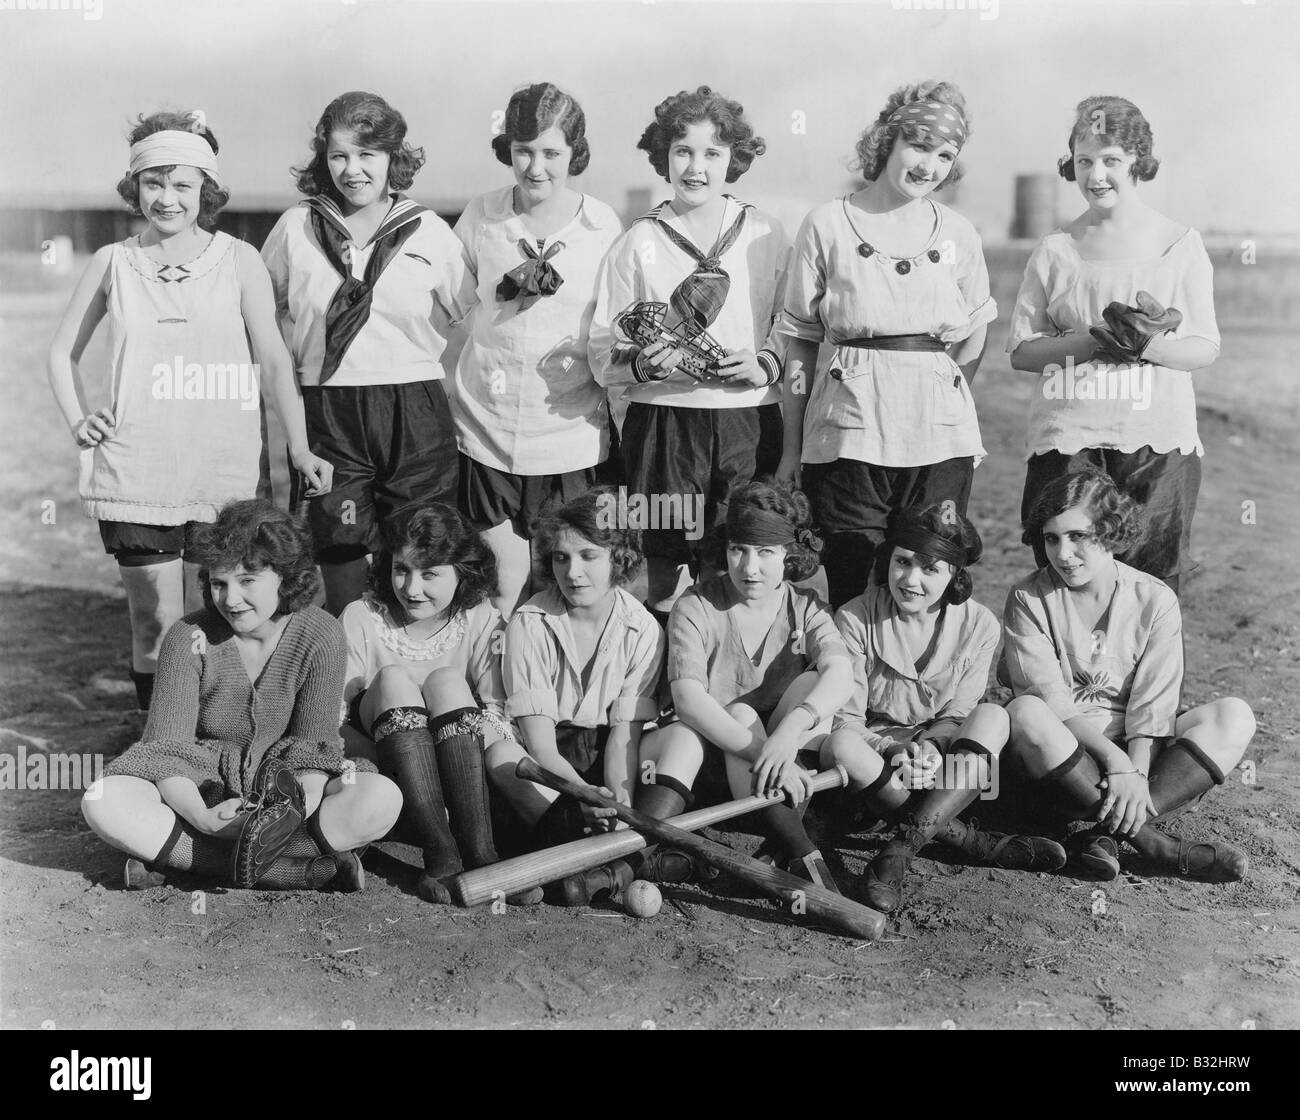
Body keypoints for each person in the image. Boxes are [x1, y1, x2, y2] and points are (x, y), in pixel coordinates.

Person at [47, 110, 331, 712]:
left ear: (207, 188)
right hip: (138, 471)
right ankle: (160, 750)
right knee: (155, 626)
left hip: (223, 474)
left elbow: (276, 363)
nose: (167, 198)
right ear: (134, 186)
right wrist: (79, 419)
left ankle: (221, 744)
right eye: (153, 182)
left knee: (225, 622)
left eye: (182, 184)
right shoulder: (112, 262)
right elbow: (59, 353)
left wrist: (300, 448)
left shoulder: (238, 259)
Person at [81, 500, 400, 891]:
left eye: (248, 580)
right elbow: (166, 752)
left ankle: (186, 861)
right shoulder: (188, 637)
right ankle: (297, 871)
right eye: (219, 583)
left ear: (285, 576)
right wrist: (201, 816)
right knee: (102, 799)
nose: (231, 599)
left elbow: (312, 751)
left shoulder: (321, 634)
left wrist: (288, 815)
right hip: (202, 787)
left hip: (289, 793)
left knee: (380, 798)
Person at [774, 80, 995, 609]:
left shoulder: (958, 233)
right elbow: (801, 343)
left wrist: (947, 392)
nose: (929, 167)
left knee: (927, 571)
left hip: (939, 437)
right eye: (918, 147)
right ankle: (852, 689)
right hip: (849, 427)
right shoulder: (827, 223)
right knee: (853, 572)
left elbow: (977, 327)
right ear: (887, 142)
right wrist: (789, 447)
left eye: (945, 155)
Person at [262, 90, 475, 613]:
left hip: (413, 408)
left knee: (420, 544)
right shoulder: (296, 227)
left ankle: (416, 673)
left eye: (367, 155)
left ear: (392, 158)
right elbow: (261, 310)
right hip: (330, 409)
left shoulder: (427, 229)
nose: (353, 170)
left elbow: (474, 315)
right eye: (339, 156)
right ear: (323, 159)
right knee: (340, 540)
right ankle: (350, 673)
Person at [588, 86, 789, 623]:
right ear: (663, 157)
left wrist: (766, 362)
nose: (695, 167)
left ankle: (731, 684)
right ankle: (669, 688)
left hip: (747, 420)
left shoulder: (766, 233)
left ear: (734, 160)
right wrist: (641, 363)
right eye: (683, 152)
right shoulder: (639, 241)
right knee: (667, 565)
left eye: (712, 154)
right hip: (665, 424)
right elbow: (603, 346)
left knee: (738, 559)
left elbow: (794, 326)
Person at [1007, 96, 1220, 597]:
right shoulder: (1056, 250)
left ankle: (1142, 679)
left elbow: (1205, 346)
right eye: (1084, 161)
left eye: (1111, 160)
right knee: (1067, 579)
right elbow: (1021, 351)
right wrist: (1091, 342)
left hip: (1157, 441)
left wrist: (1147, 345)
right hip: (1068, 439)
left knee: (1150, 585)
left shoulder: (1180, 245)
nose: (1096, 175)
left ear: (1138, 162)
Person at [1002, 470, 1254, 881]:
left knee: (1234, 714)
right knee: (1026, 711)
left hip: (1142, 758)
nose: (1064, 554)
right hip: (1065, 756)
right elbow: (1052, 702)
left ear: (1108, 529)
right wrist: (1115, 763)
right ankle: (1155, 843)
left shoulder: (1154, 598)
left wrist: (1133, 773)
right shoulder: (1027, 598)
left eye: (1078, 536)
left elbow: (1153, 705)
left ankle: (1106, 830)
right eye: (1052, 538)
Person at [820, 504, 1064, 913]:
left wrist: (933, 747)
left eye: (930, 569)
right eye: (902, 562)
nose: (910, 580)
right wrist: (891, 750)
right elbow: (845, 718)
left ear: (955, 575)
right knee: (842, 743)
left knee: (994, 715)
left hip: (942, 768)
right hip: (875, 771)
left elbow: (959, 712)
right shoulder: (856, 617)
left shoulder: (979, 625)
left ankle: (900, 849)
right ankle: (970, 841)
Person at [451, 82, 624, 615]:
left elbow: (612, 330)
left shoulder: (602, 226)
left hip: (570, 435)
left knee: (563, 589)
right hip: (486, 428)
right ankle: (497, 696)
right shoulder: (482, 215)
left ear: (574, 153)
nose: (535, 167)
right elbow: (448, 309)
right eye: (524, 150)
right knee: (505, 585)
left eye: (552, 152)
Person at [654, 481, 854, 890]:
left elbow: (841, 674)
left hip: (786, 768)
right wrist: (766, 749)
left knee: (816, 680)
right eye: (738, 549)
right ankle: (800, 850)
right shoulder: (696, 604)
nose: (749, 568)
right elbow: (688, 701)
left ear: (789, 554)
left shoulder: (806, 605)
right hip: (720, 765)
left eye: (765, 552)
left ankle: (775, 850)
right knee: (742, 712)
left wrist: (788, 732)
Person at [338, 502, 529, 904]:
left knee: (446, 681)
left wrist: (465, 760)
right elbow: (335, 720)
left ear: (463, 572)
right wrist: (409, 759)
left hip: (459, 764)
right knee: (393, 679)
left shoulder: (478, 616)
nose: (411, 588)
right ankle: (439, 853)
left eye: (430, 574)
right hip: (388, 765)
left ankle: (480, 850)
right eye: (402, 569)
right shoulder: (361, 616)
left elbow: (496, 711)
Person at [486, 489, 664, 876]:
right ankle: (574, 856)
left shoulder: (643, 627)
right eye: (561, 558)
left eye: (589, 556)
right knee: (501, 758)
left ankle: (618, 854)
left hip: (609, 754)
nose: (572, 572)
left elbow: (624, 736)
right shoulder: (529, 622)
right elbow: (540, 745)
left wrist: (617, 799)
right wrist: (582, 796)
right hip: (549, 760)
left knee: (673, 746)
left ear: (618, 558)